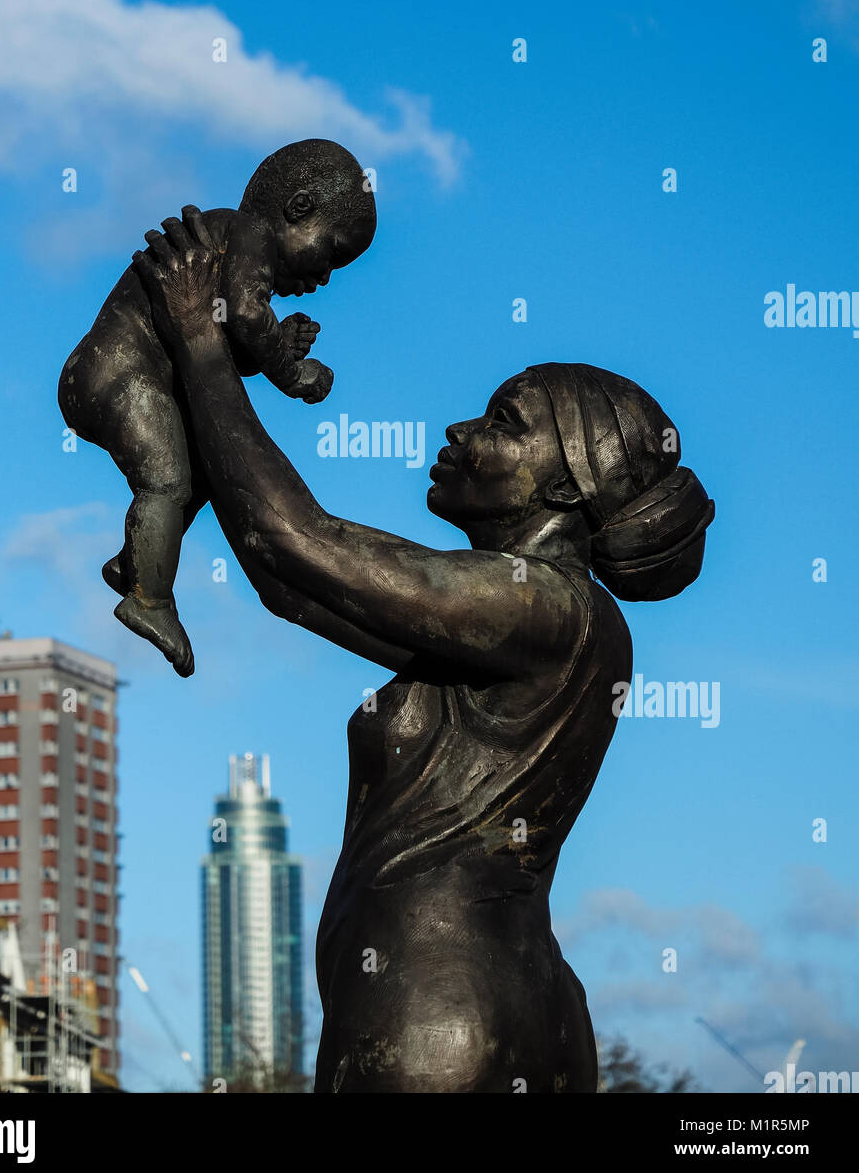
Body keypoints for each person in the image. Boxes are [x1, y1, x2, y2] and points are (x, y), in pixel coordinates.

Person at [133, 209, 714, 1093]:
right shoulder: (536, 625)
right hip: (502, 1003)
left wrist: (201, 341)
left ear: (563, 483)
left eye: (501, 422)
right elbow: (286, 580)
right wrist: (188, 381)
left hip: (438, 1017)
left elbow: (298, 541)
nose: (459, 433)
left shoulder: (543, 606)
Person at [58, 140, 376, 676]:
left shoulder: (229, 248)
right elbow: (249, 317)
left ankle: (137, 561)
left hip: (127, 377)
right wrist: (292, 372)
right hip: (114, 374)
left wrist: (271, 345)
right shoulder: (245, 233)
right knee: (166, 481)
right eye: (329, 253)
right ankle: (149, 600)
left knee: (201, 472)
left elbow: (217, 345)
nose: (324, 277)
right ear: (298, 209)